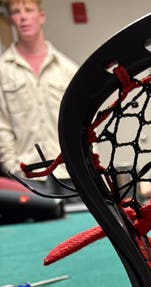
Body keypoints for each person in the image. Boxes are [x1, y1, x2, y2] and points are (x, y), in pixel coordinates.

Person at [0, 0, 78, 196]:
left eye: (28, 10)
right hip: (27, 177)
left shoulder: (67, 69)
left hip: (70, 173)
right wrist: (14, 169)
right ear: (11, 20)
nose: (23, 17)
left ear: (41, 16)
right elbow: (2, 126)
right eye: (16, 12)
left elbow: (82, 123)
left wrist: (87, 165)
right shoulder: (3, 71)